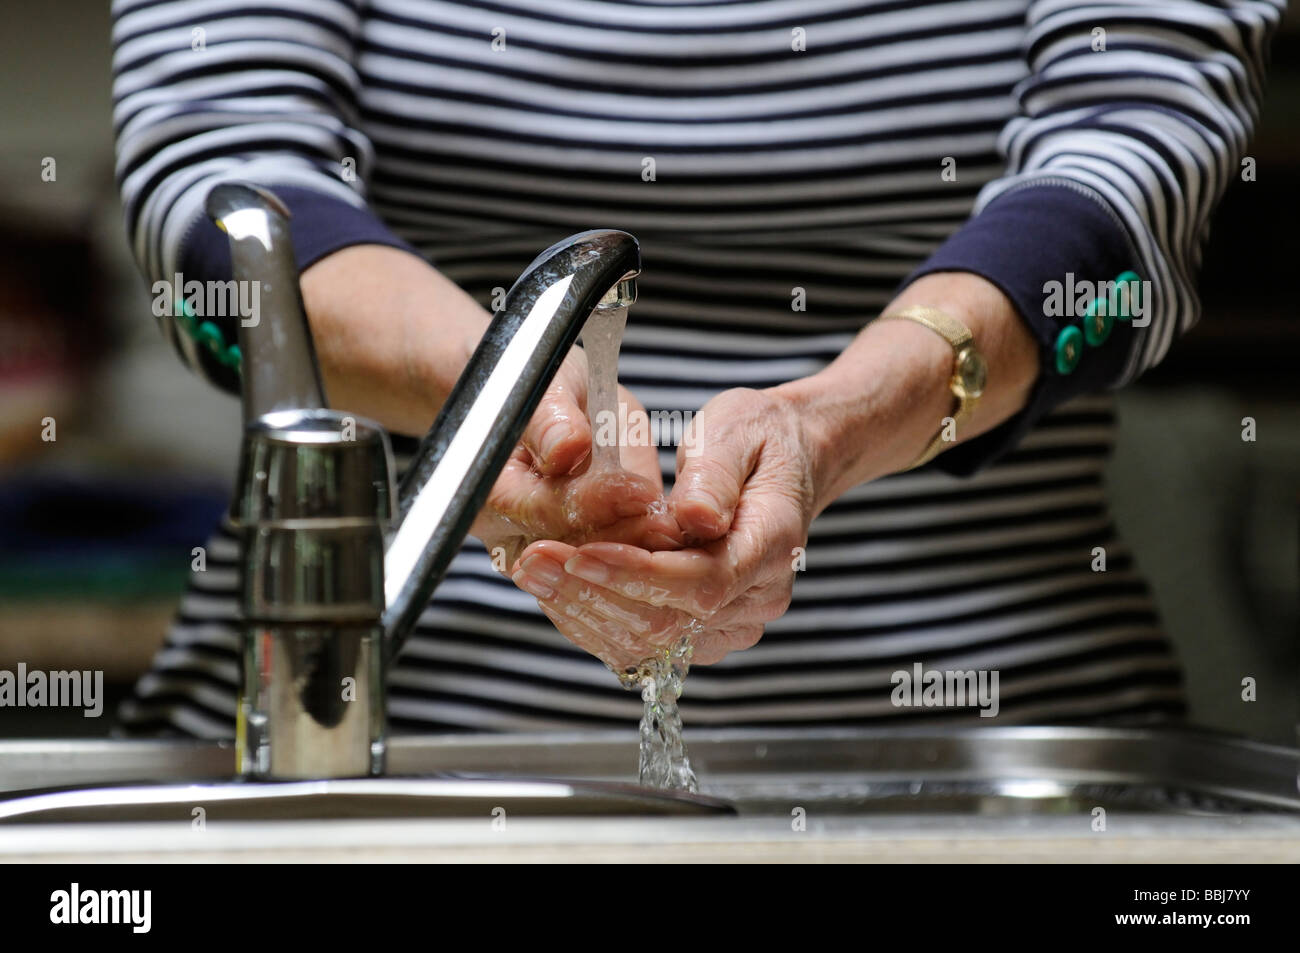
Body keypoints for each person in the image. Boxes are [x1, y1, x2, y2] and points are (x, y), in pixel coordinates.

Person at [111, 0, 1282, 735]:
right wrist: (498, 391)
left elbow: (1132, 182)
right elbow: (225, 199)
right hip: (396, 714)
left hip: (975, 725)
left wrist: (834, 423)